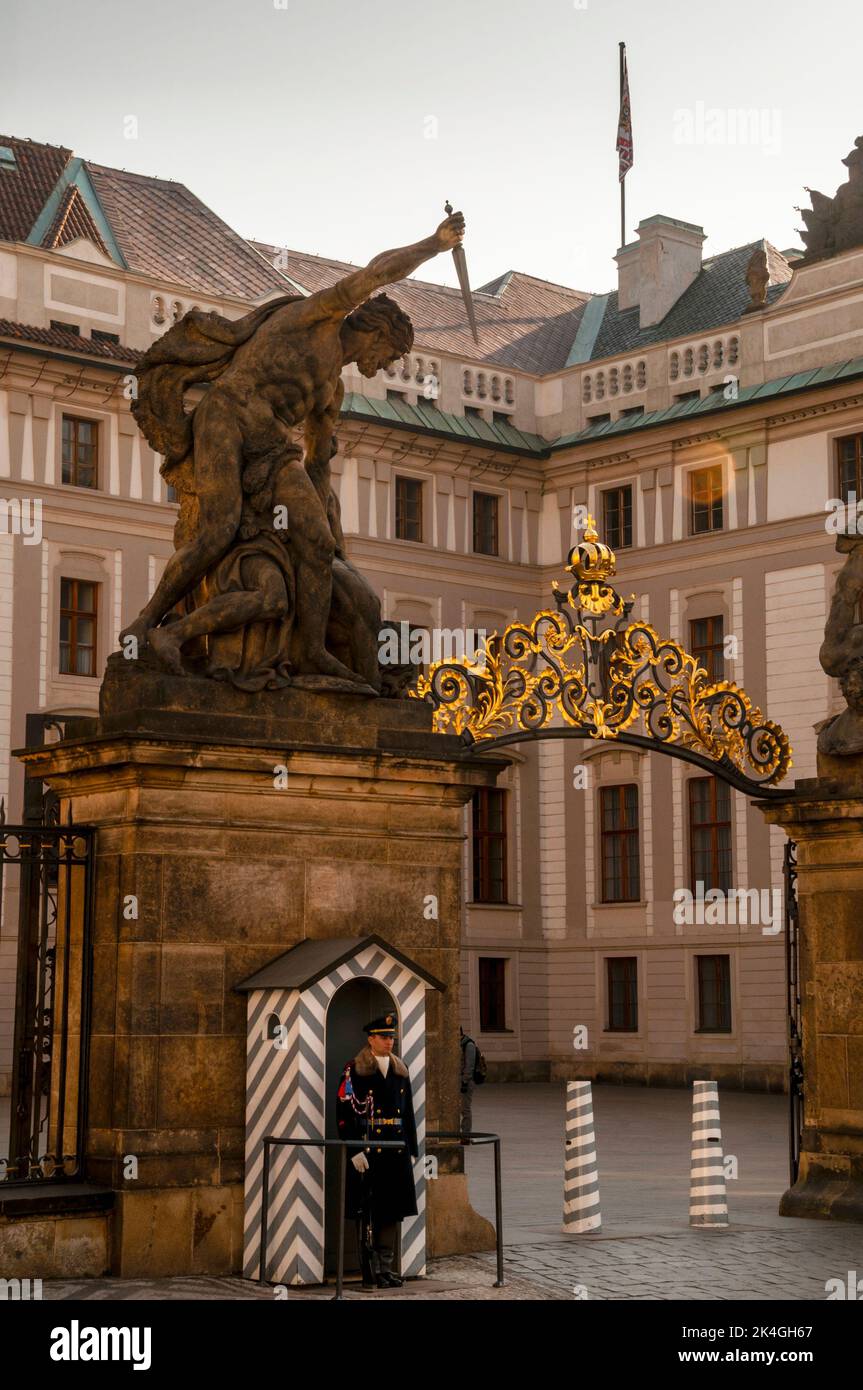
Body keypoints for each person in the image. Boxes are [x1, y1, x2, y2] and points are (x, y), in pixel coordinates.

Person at [122, 210, 467, 685]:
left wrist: (338, 554)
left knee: (318, 541)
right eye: (388, 354)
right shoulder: (319, 318)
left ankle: (310, 651)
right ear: (376, 332)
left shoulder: (330, 392)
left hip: (270, 446)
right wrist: (435, 243)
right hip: (228, 414)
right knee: (217, 532)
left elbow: (319, 470)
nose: (383, 365)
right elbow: (376, 273)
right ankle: (145, 625)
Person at [336, 1013, 418, 1290]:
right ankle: (368, 1269)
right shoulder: (355, 1069)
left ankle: (386, 1267)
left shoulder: (400, 1068)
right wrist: (354, 1150)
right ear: (371, 1039)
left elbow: (408, 1114)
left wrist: (412, 1149)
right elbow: (344, 1113)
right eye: (384, 1037)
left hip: (395, 1150)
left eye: (392, 1037)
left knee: (393, 1213)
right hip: (369, 1151)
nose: (389, 1041)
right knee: (367, 1211)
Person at [460, 1026, 479, 1137]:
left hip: (466, 1083)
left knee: (465, 1109)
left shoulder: (468, 1045)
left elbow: (470, 1066)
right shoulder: (460, 1044)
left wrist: (464, 1081)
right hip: (459, 1081)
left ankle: (466, 1135)